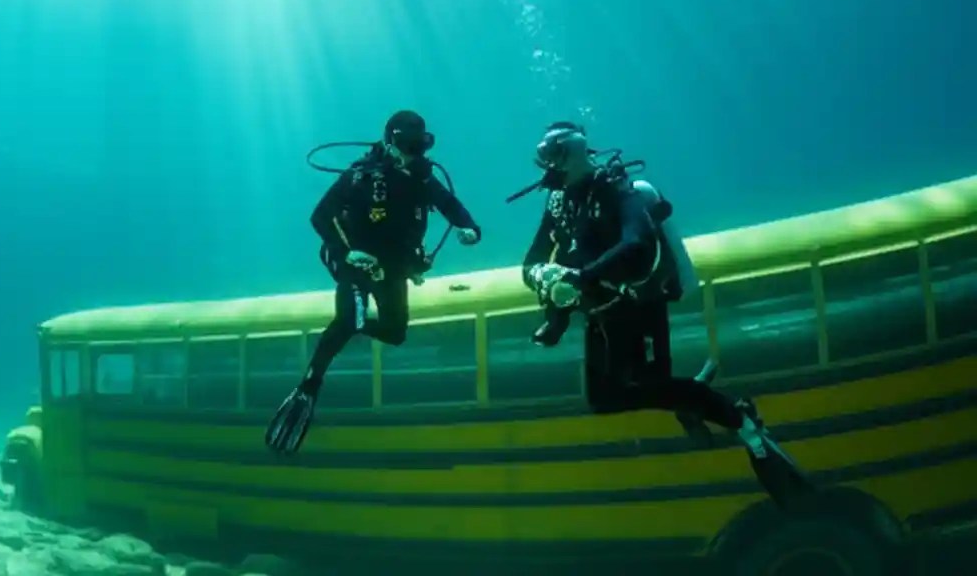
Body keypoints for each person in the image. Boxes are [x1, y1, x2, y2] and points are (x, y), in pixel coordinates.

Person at [517, 121, 812, 506]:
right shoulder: (558, 203)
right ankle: (690, 397)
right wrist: (539, 276)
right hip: (599, 309)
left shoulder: (613, 189)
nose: (547, 169)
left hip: (639, 305)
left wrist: (580, 275)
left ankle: (742, 421)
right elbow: (531, 259)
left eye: (553, 157)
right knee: (604, 398)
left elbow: (636, 238)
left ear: (572, 152)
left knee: (647, 379)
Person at [265, 110, 482, 454]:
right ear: (392, 142)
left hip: (394, 267)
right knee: (351, 318)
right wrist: (345, 251)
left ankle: (352, 327)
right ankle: (309, 386)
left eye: (420, 147)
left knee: (395, 332)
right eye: (409, 146)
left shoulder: (423, 178)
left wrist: (468, 226)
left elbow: (449, 204)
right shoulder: (360, 176)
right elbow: (320, 216)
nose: (415, 154)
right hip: (356, 264)